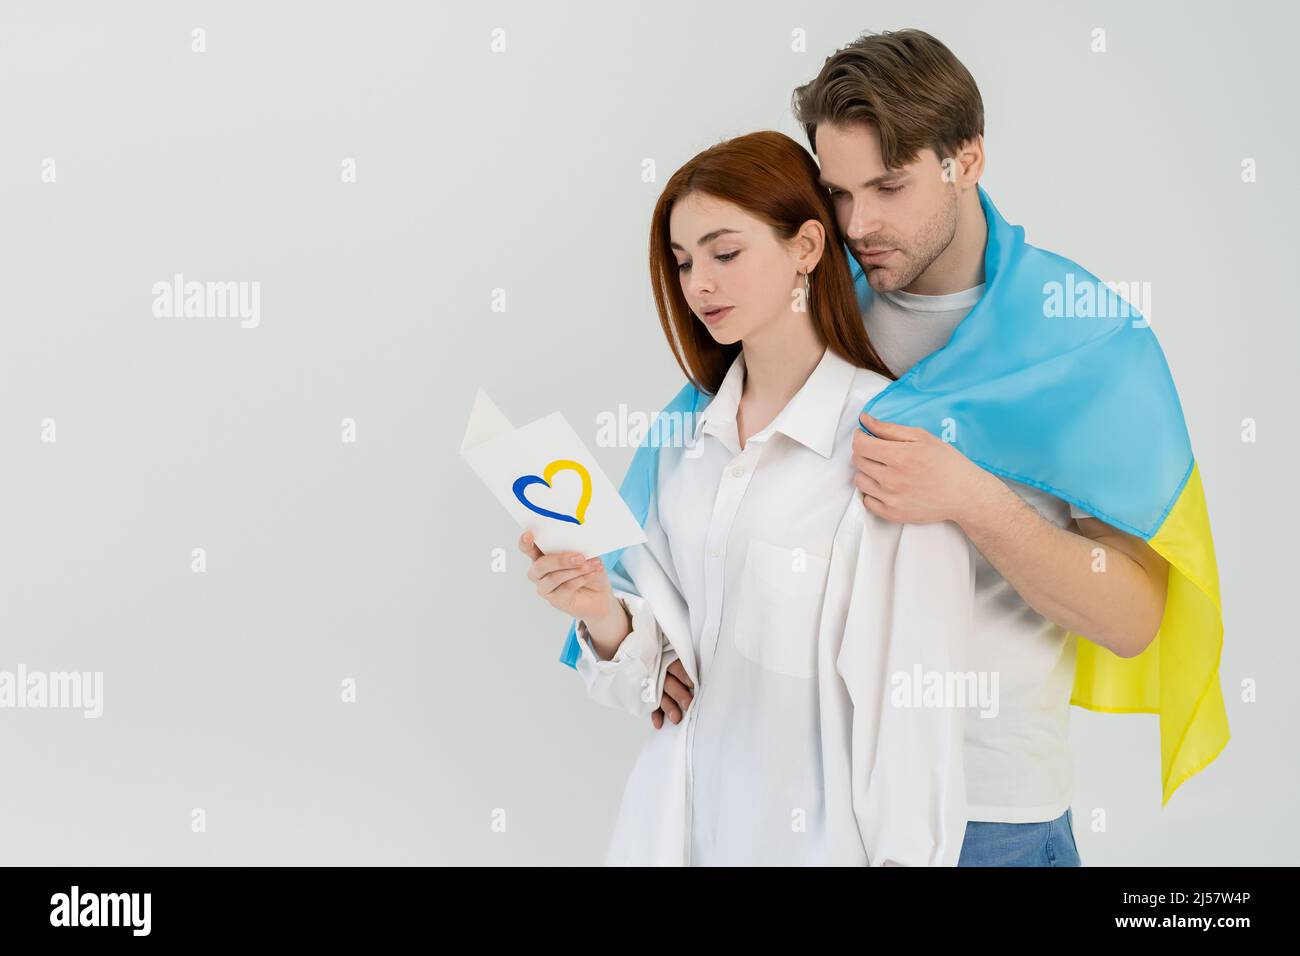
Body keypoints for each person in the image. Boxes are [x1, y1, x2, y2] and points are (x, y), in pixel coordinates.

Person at [520, 130, 975, 866]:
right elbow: (665, 681)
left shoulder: (886, 448)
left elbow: (912, 720)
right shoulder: (682, 442)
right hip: (671, 834)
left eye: (724, 253)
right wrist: (598, 609)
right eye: (683, 262)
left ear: (806, 247)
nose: (699, 283)